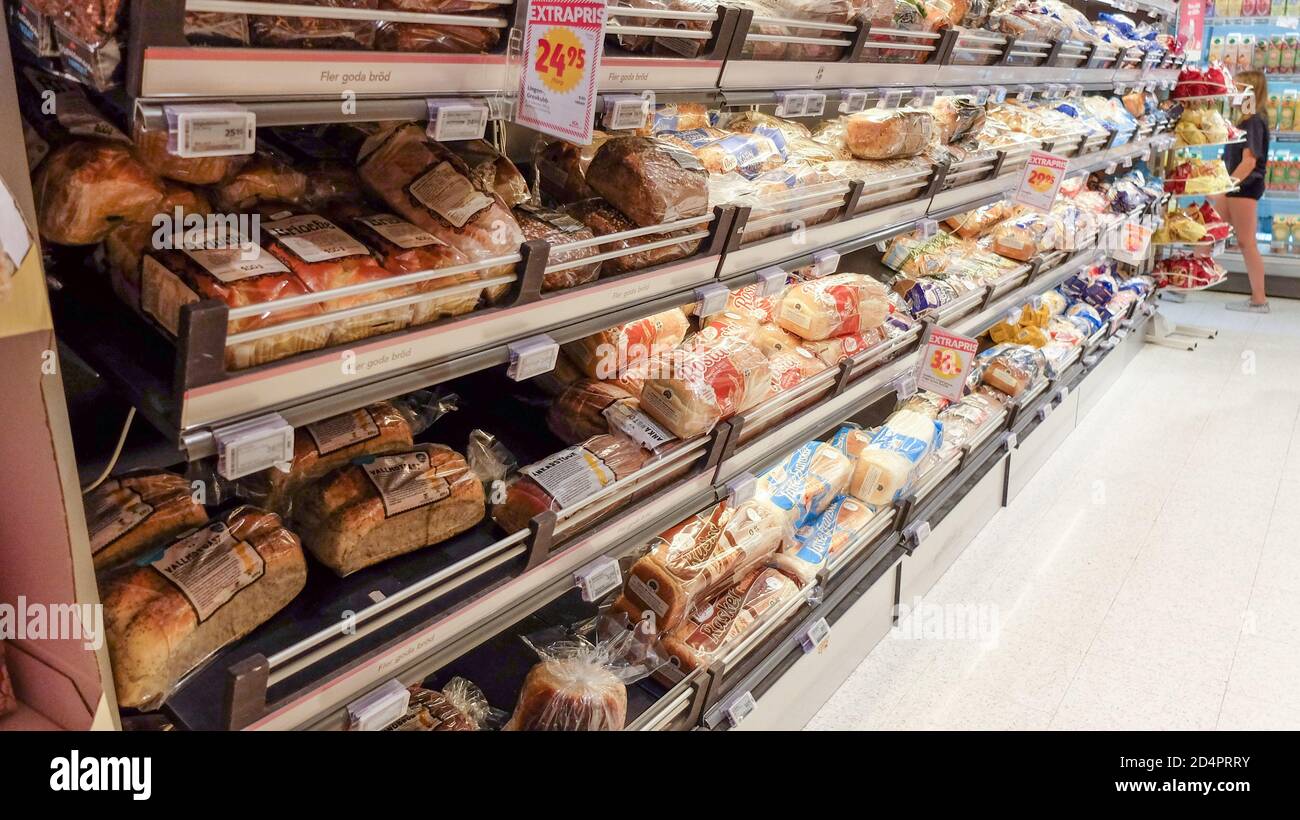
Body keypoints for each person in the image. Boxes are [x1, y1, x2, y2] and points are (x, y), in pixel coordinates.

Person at [1220, 70, 1271, 313]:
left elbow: (1249, 162)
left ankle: (1259, 299)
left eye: (1236, 87)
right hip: (1239, 185)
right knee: (1220, 230)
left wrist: (1226, 183)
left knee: (1246, 242)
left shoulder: (1253, 121)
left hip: (1245, 185)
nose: (1231, 91)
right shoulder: (1248, 119)